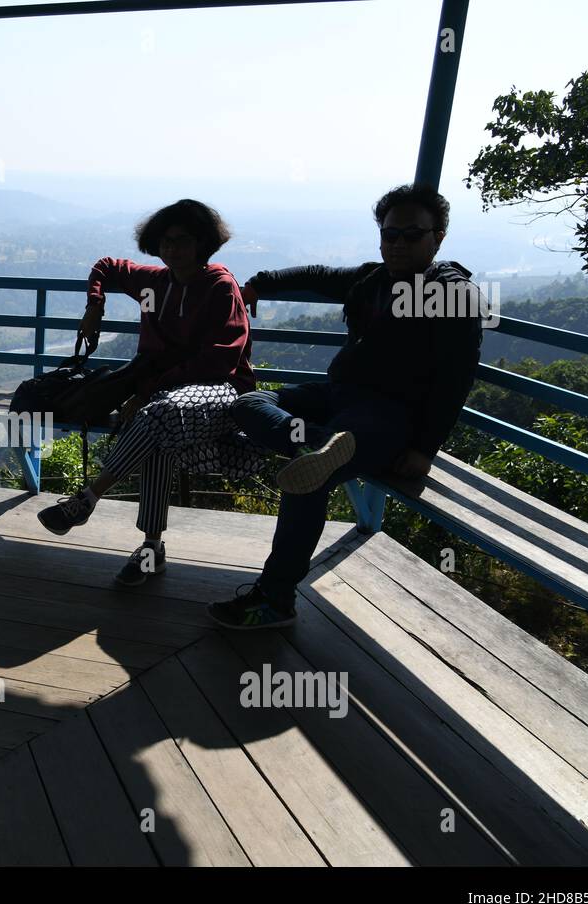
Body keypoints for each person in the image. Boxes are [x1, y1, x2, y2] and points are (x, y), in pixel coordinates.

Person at [207, 182, 485, 629]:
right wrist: (256, 285)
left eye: (412, 235)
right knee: (250, 402)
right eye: (390, 234)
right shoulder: (371, 280)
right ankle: (316, 450)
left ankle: (275, 599)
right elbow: (316, 275)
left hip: (388, 416)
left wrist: (425, 450)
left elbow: (456, 379)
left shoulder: (450, 293)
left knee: (306, 484)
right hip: (338, 400)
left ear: (439, 237)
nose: (397, 243)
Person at [36, 199, 262, 584]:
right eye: (165, 241)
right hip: (165, 401)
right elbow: (105, 266)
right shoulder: (155, 282)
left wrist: (149, 391)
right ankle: (151, 549)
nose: (172, 249)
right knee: (157, 427)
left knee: (157, 413)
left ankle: (86, 499)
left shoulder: (220, 288)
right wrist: (95, 304)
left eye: (182, 241)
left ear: (202, 243)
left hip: (222, 392)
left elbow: (218, 362)